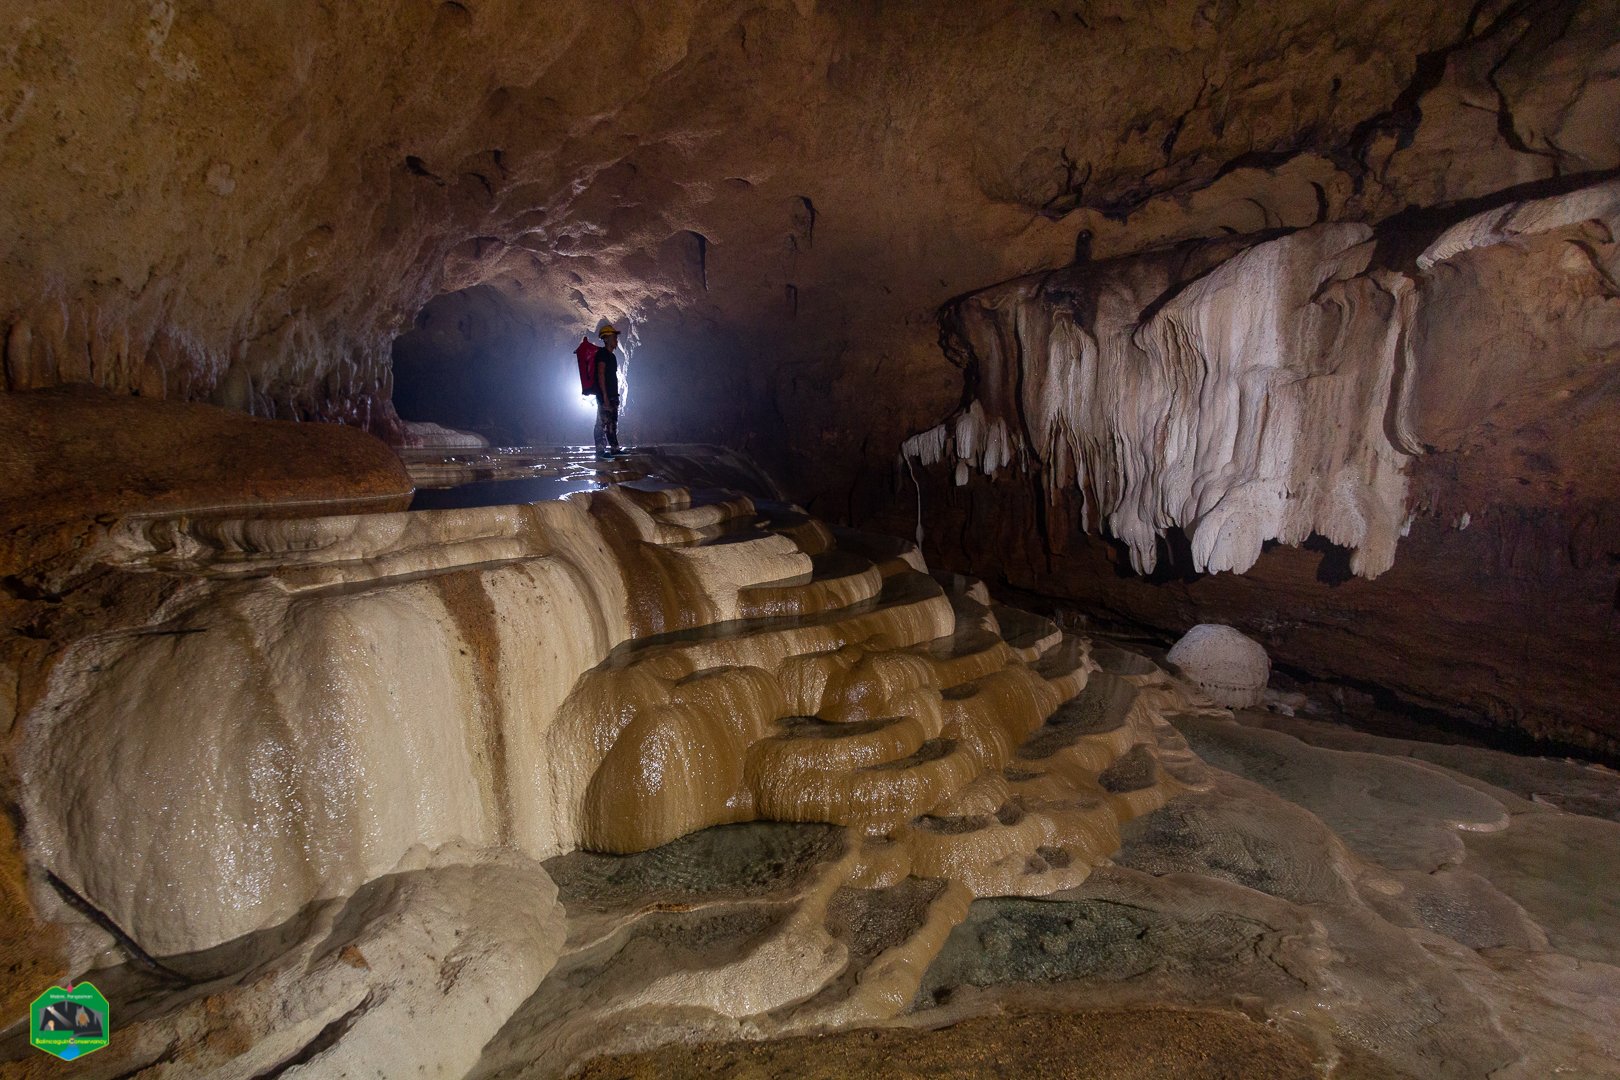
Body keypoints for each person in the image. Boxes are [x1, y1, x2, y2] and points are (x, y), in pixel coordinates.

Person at [592, 321, 622, 456]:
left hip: (613, 394)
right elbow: (600, 374)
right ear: (606, 338)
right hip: (605, 395)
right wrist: (604, 396)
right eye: (614, 337)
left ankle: (614, 448)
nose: (616, 340)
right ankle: (600, 448)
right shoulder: (602, 354)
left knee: (612, 422)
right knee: (602, 421)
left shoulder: (613, 357)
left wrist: (614, 395)